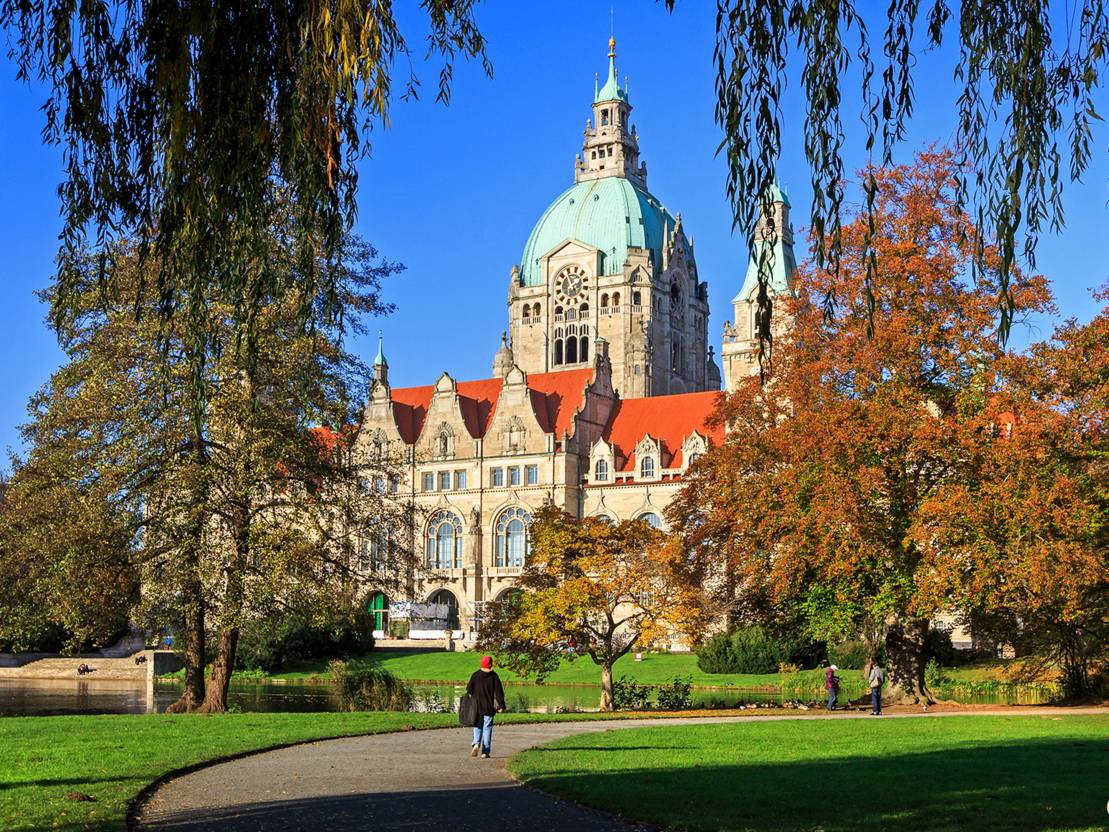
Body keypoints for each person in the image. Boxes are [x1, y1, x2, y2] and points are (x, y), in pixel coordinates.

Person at [466, 655, 505, 758]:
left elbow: (469, 690)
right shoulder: (494, 677)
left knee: (477, 726)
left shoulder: (475, 675)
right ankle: (485, 752)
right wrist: (501, 706)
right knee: (487, 728)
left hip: (476, 707)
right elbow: (499, 693)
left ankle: (476, 744)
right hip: (489, 708)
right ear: (491, 664)